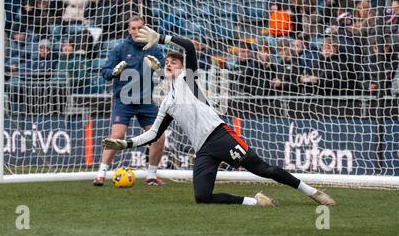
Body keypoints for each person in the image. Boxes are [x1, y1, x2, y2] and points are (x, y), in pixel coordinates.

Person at [101, 26, 336, 207]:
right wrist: (126, 143)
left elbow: (189, 48)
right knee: (202, 197)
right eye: (168, 62)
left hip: (220, 136)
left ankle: (312, 192)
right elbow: (153, 133)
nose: (170, 64)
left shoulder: (188, 80)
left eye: (174, 62)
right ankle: (256, 201)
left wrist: (162, 39)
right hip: (203, 150)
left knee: (263, 169)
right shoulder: (167, 103)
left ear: (183, 68)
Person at [93, 16, 166, 187]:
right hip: (124, 100)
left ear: (144, 29)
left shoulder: (154, 49)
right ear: (128, 30)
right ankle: (101, 174)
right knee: (117, 136)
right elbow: (105, 71)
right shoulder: (120, 48)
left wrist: (158, 69)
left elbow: (163, 72)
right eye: (133, 28)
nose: (136, 31)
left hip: (146, 101)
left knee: (159, 137)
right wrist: (114, 72)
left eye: (139, 28)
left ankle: (151, 176)